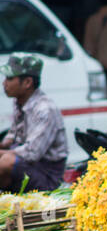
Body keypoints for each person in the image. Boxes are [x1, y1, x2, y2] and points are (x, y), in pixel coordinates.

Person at [0, 53, 68, 191]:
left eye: (10, 78)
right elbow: (13, 135)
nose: (4, 83)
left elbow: (32, 153)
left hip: (47, 175)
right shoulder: (19, 102)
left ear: (27, 83)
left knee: (6, 161)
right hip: (30, 167)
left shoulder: (45, 109)